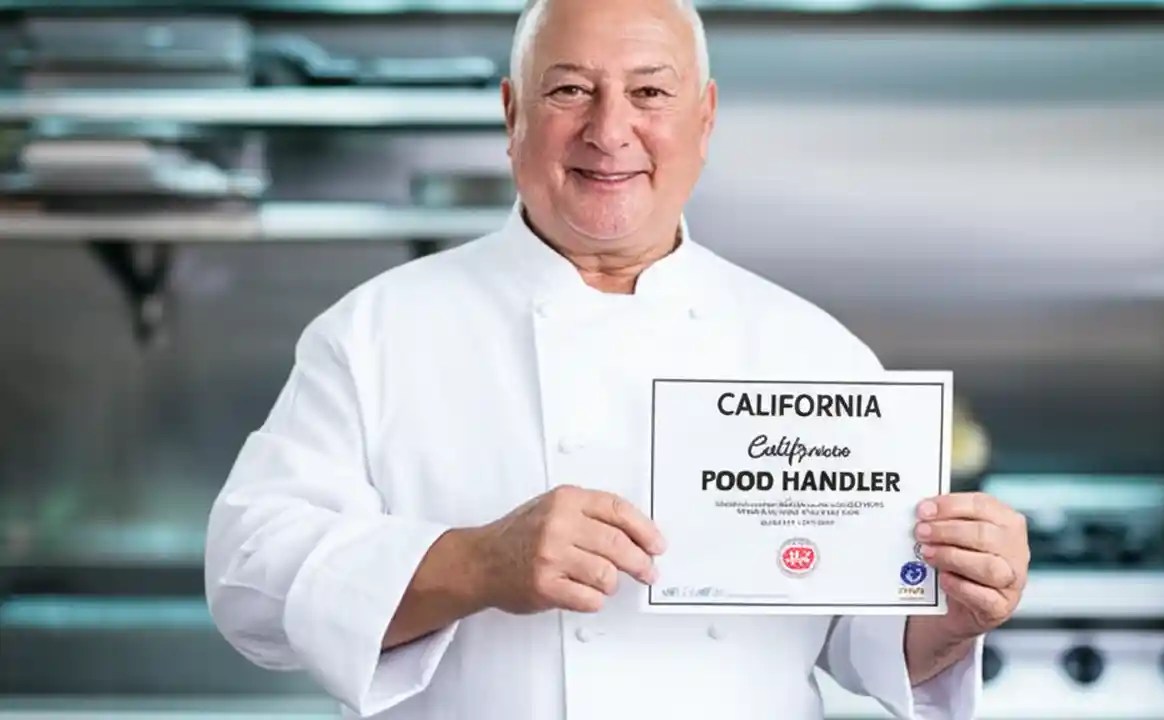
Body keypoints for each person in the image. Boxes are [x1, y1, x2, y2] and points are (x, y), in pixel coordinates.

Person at [203, 0, 1030, 717]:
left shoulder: (810, 349)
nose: (609, 131)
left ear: (703, 118)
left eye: (649, 92)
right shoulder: (378, 331)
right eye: (568, 90)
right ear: (511, 114)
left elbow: (867, 637)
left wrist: (955, 611)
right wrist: (476, 563)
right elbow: (249, 578)